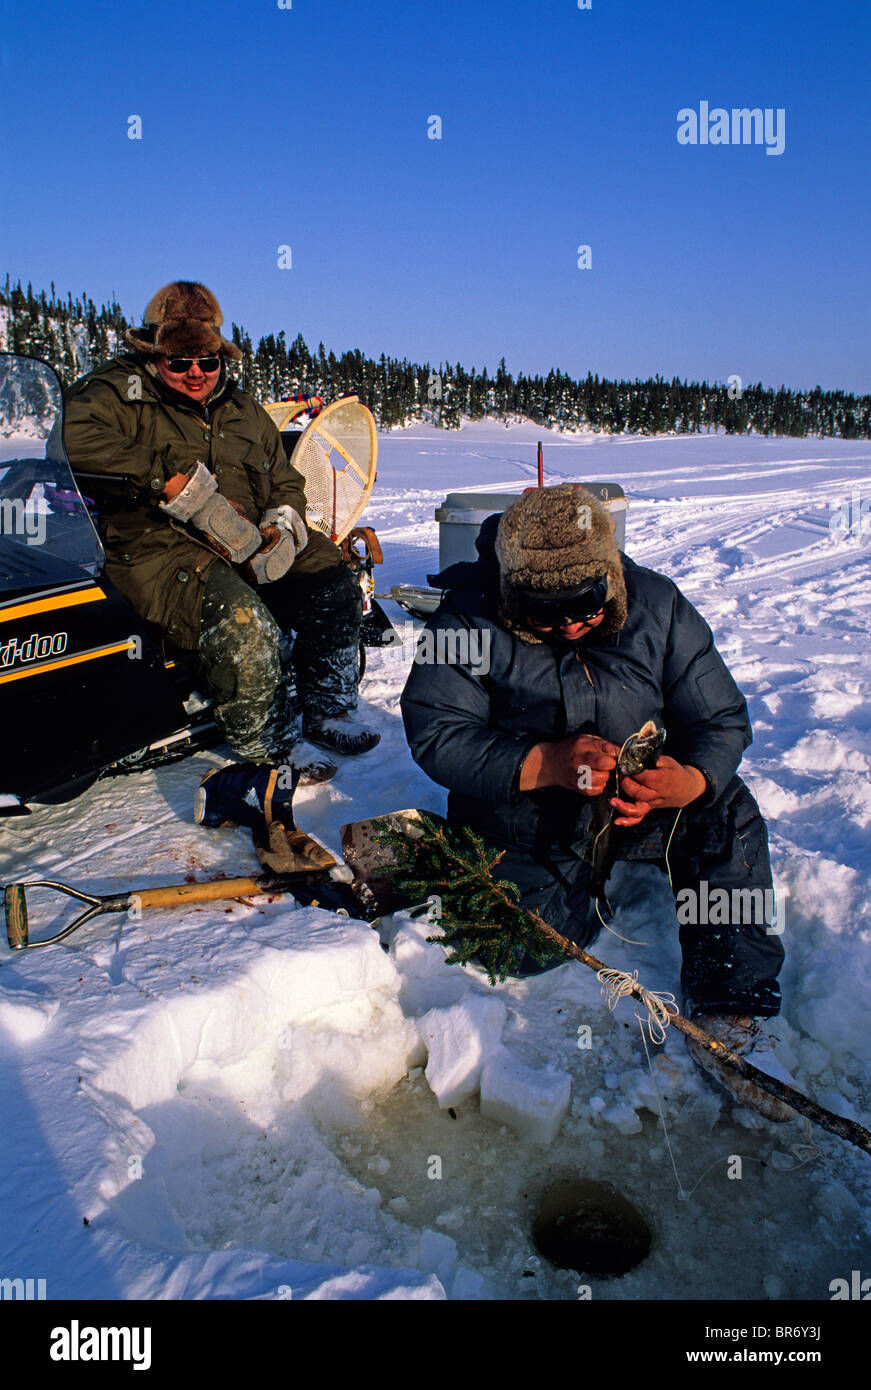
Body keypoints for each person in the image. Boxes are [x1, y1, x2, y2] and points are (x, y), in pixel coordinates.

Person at [400, 483, 791, 1119]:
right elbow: (435, 731)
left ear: (610, 578)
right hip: (527, 818)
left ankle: (730, 1004)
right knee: (524, 953)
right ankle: (569, 893)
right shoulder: (465, 621)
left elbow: (720, 720)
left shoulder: (658, 607)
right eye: (541, 612)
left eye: (584, 605)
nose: (567, 626)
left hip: (644, 807)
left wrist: (686, 782)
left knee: (727, 814)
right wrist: (544, 764)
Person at [55, 280, 379, 784]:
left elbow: (285, 477)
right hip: (159, 544)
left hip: (248, 536)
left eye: (207, 361)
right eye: (179, 363)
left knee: (332, 576)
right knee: (245, 621)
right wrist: (172, 481)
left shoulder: (241, 406)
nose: (195, 374)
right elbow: (73, 440)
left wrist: (284, 523)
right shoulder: (118, 390)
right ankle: (269, 744)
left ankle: (328, 707)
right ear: (154, 355)